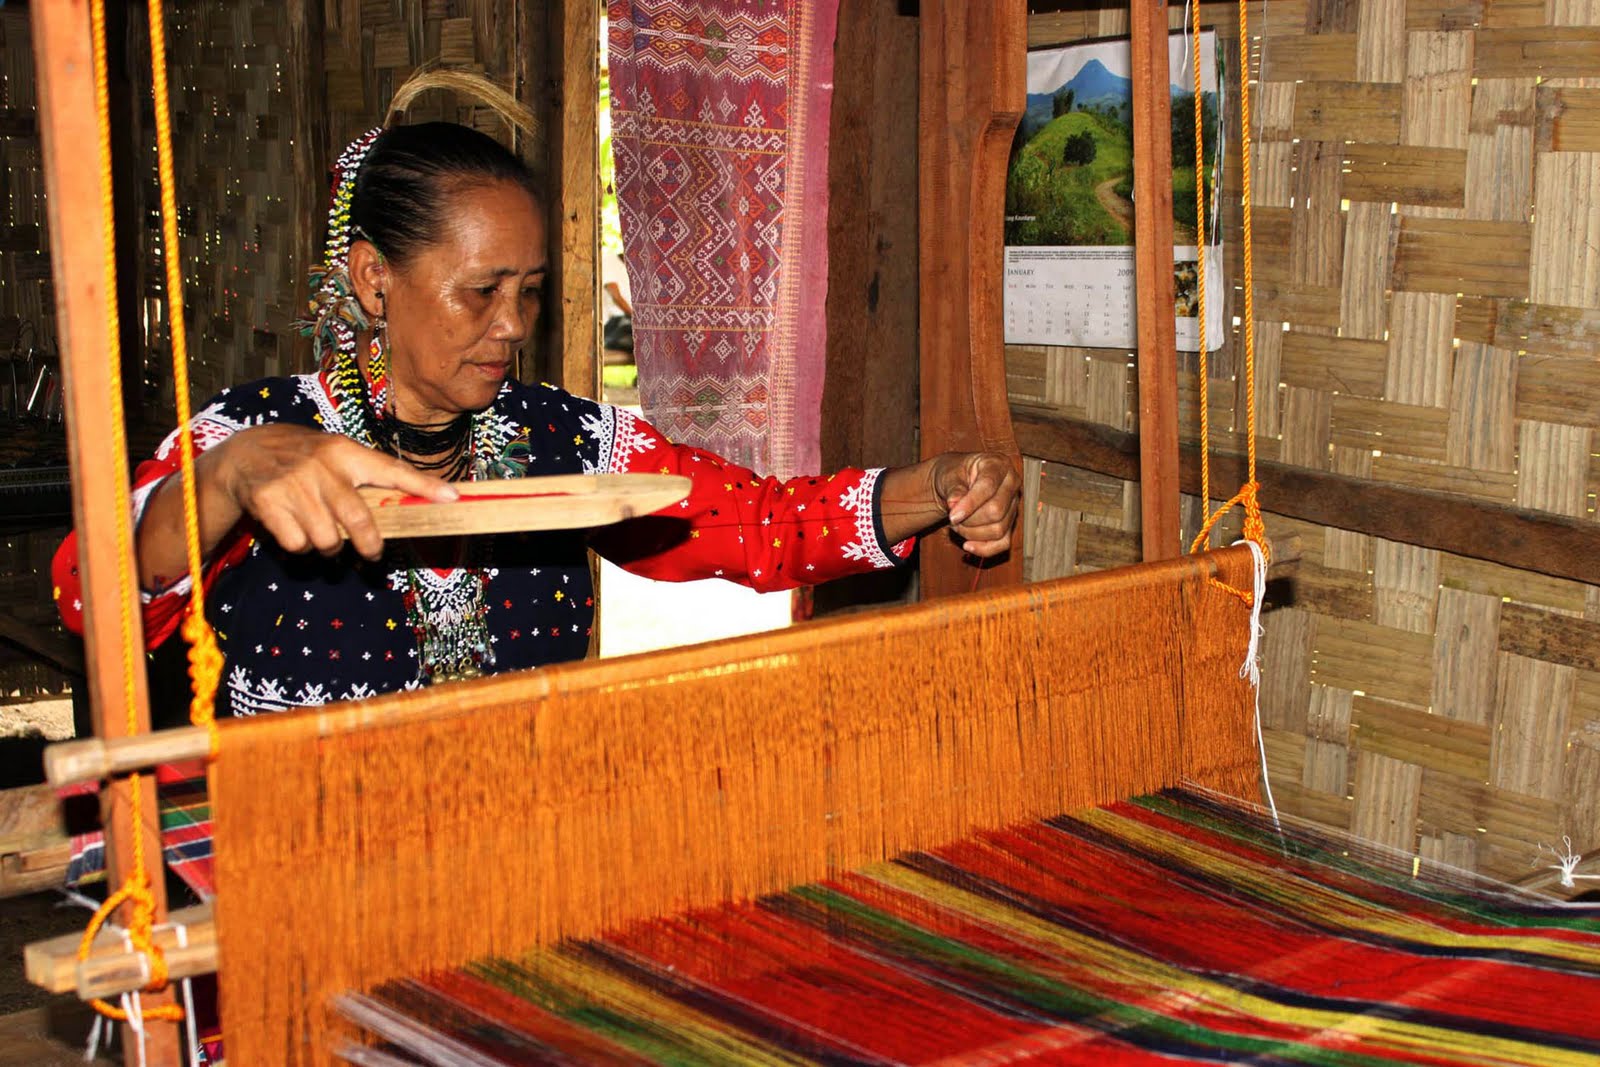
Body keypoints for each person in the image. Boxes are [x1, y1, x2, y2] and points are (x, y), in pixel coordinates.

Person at [52, 70, 1019, 717]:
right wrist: (229, 479)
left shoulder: (560, 439)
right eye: (480, 292)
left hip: (505, 871)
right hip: (292, 896)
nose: (512, 326)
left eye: (529, 294)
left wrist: (940, 486)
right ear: (374, 279)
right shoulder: (257, 434)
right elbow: (95, 594)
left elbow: (764, 525)